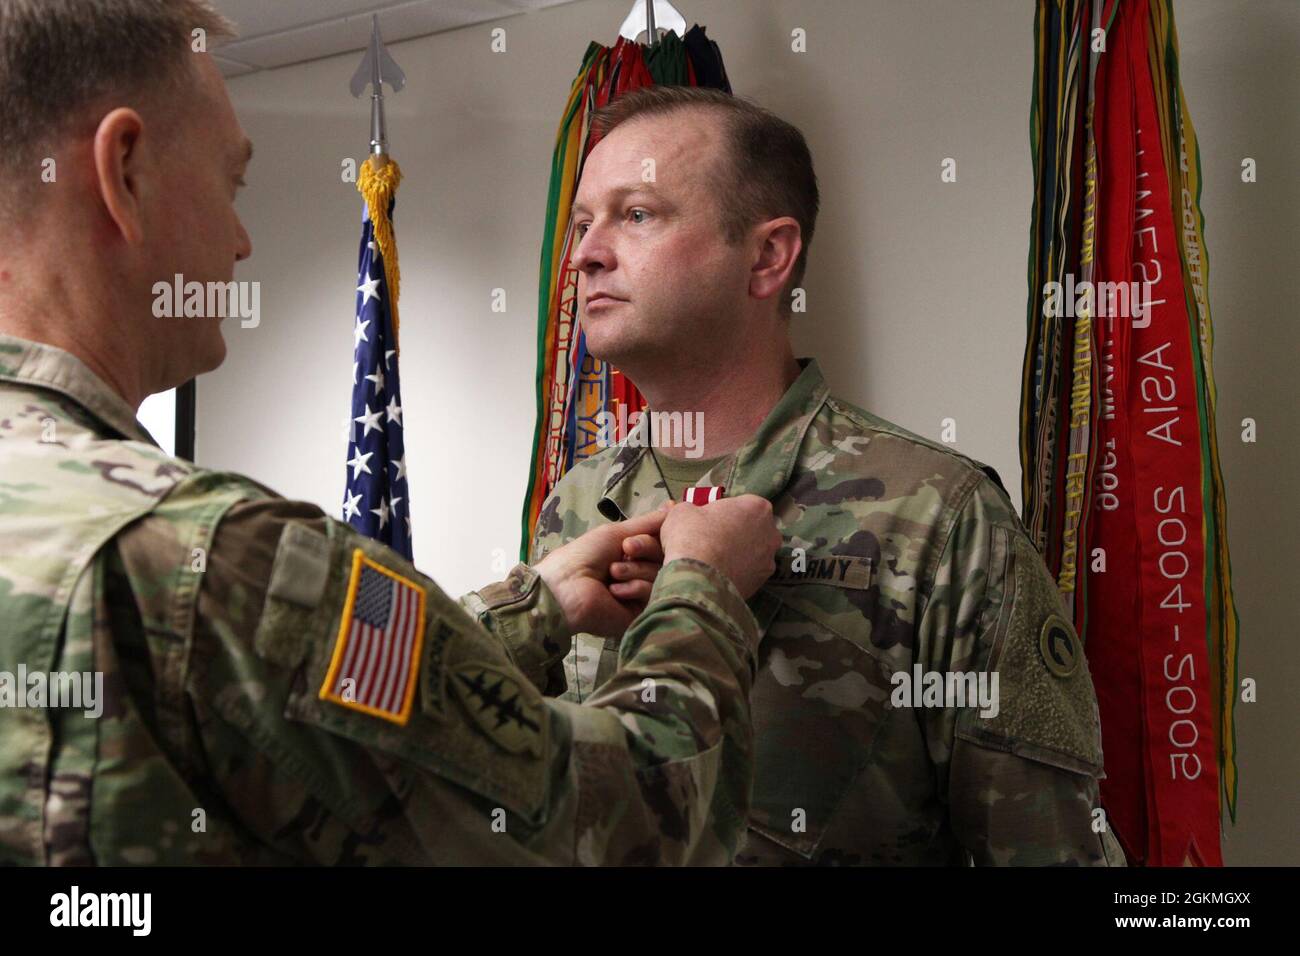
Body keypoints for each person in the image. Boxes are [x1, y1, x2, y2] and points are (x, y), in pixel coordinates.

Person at [0, 0, 782, 865]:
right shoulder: (212, 556)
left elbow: (315, 717)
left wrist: (537, 608)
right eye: (233, 183)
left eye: (634, 216)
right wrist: (704, 586)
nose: (243, 240)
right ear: (126, 174)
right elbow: (621, 823)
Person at [532, 85, 1127, 865]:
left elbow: (1045, 851)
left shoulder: (937, 516)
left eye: (636, 214)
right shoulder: (575, 505)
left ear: (769, 257)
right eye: (583, 224)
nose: (584, 254)